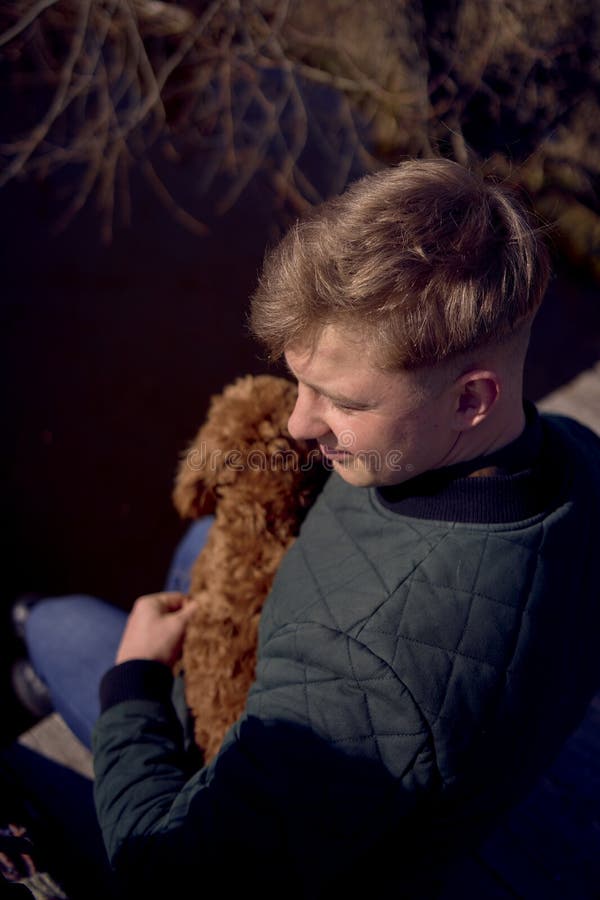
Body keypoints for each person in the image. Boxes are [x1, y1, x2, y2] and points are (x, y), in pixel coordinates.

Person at [18, 159, 600, 898]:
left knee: (60, 627)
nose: (298, 423)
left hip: (288, 794)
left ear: (471, 399)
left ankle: (40, 662)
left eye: (342, 401)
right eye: (299, 383)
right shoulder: (578, 459)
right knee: (200, 547)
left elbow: (169, 873)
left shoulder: (363, 683)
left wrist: (133, 684)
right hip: (407, 745)